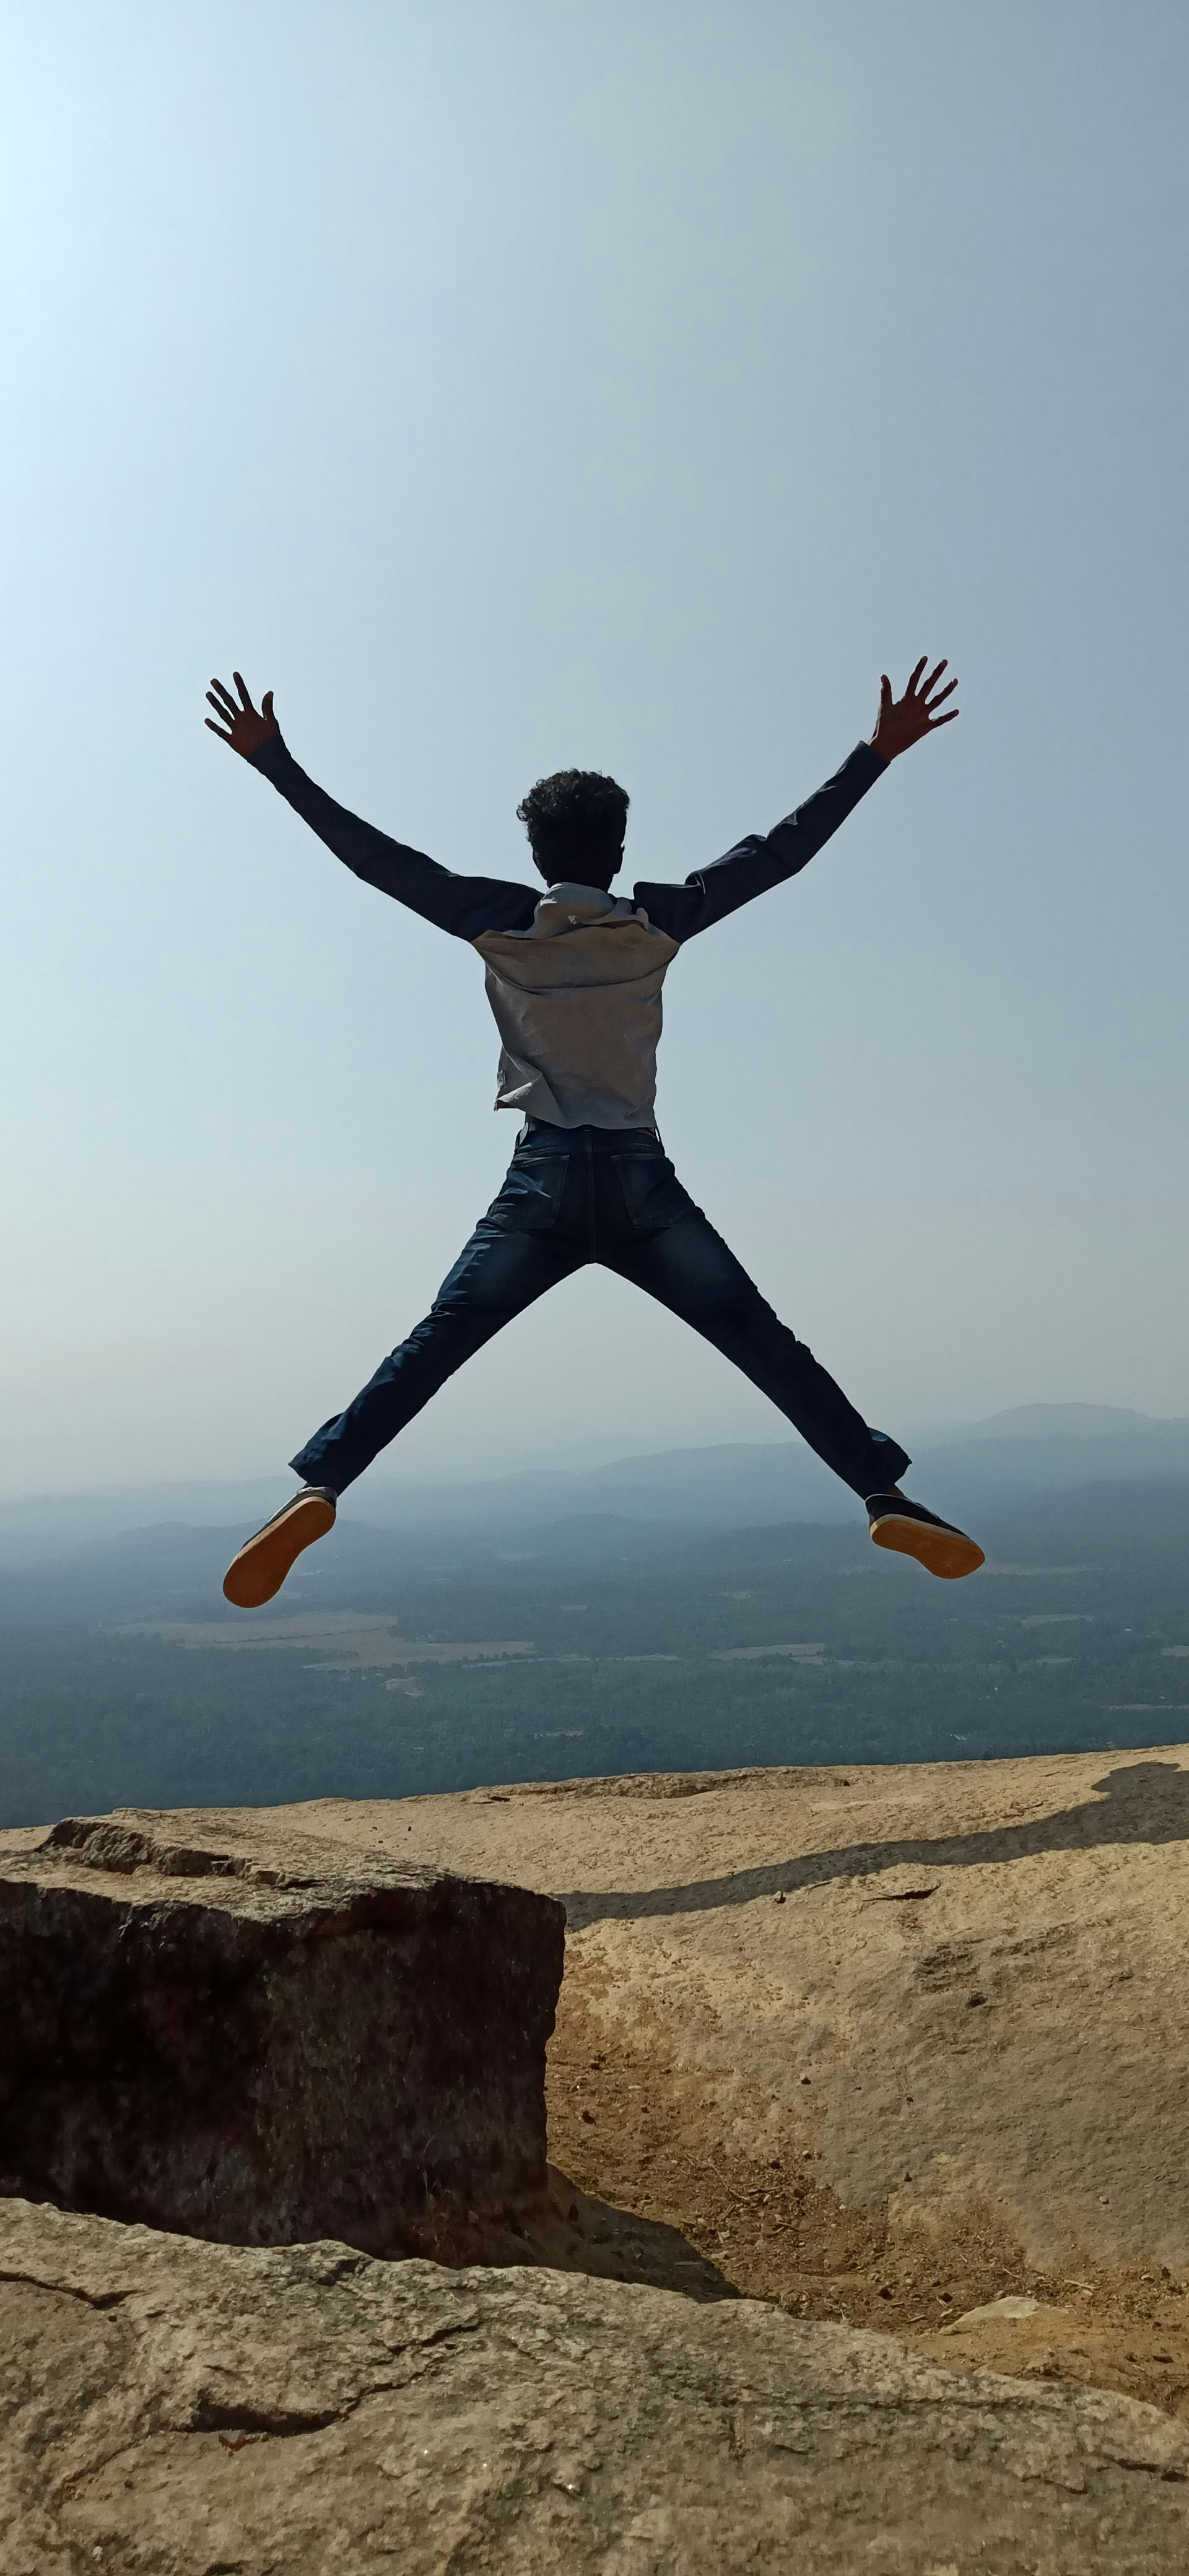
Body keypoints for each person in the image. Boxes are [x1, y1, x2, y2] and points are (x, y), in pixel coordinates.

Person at [206, 659, 983, 1608]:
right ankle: (882, 1492)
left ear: (537, 852)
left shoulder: (496, 921)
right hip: (640, 1182)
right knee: (762, 1341)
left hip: (538, 1184)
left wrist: (275, 763)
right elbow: (781, 851)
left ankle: (322, 1485)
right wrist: (875, 754)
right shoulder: (658, 920)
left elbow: (377, 858)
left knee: (436, 1342)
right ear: (618, 850)